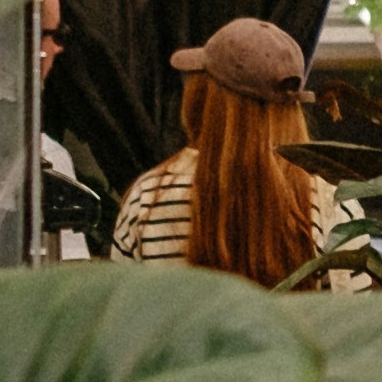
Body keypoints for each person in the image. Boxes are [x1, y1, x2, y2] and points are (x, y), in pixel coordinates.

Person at [113, 16, 323, 283]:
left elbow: (123, 318)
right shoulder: (330, 205)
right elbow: (353, 318)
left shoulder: (148, 201)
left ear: (203, 99)